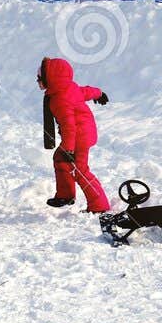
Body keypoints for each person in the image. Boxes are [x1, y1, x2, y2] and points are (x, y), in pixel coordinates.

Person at [39, 57, 110, 213]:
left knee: (80, 171)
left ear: (51, 78)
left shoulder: (59, 99)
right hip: (83, 133)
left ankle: (100, 205)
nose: (38, 80)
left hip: (79, 137)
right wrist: (99, 93)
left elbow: (69, 126)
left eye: (40, 77)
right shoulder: (68, 88)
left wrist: (68, 149)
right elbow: (86, 91)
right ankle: (65, 195)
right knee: (60, 160)